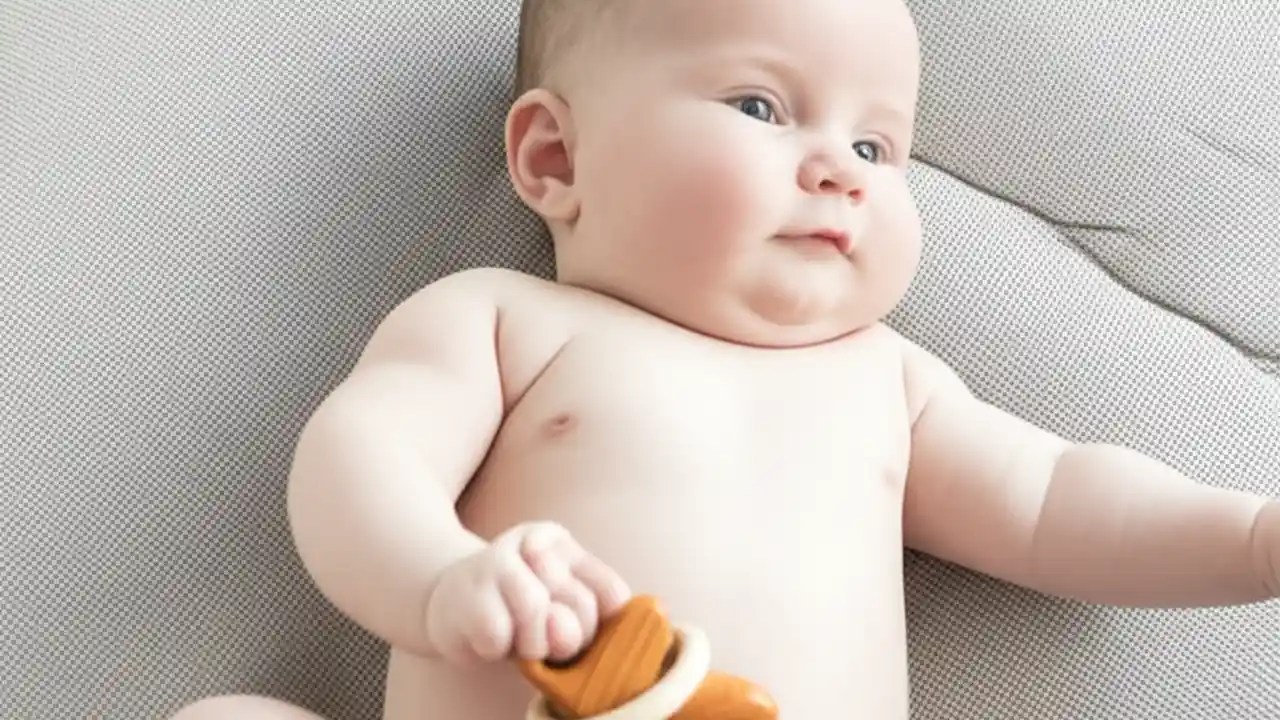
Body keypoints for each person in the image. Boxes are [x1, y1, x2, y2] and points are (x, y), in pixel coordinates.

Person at [172, 0, 1280, 717]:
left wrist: (1244, 540)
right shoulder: (501, 320)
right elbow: (361, 460)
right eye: (760, 106)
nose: (841, 170)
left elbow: (1048, 501)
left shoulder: (885, 379)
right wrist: (436, 580)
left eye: (875, 144)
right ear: (556, 156)